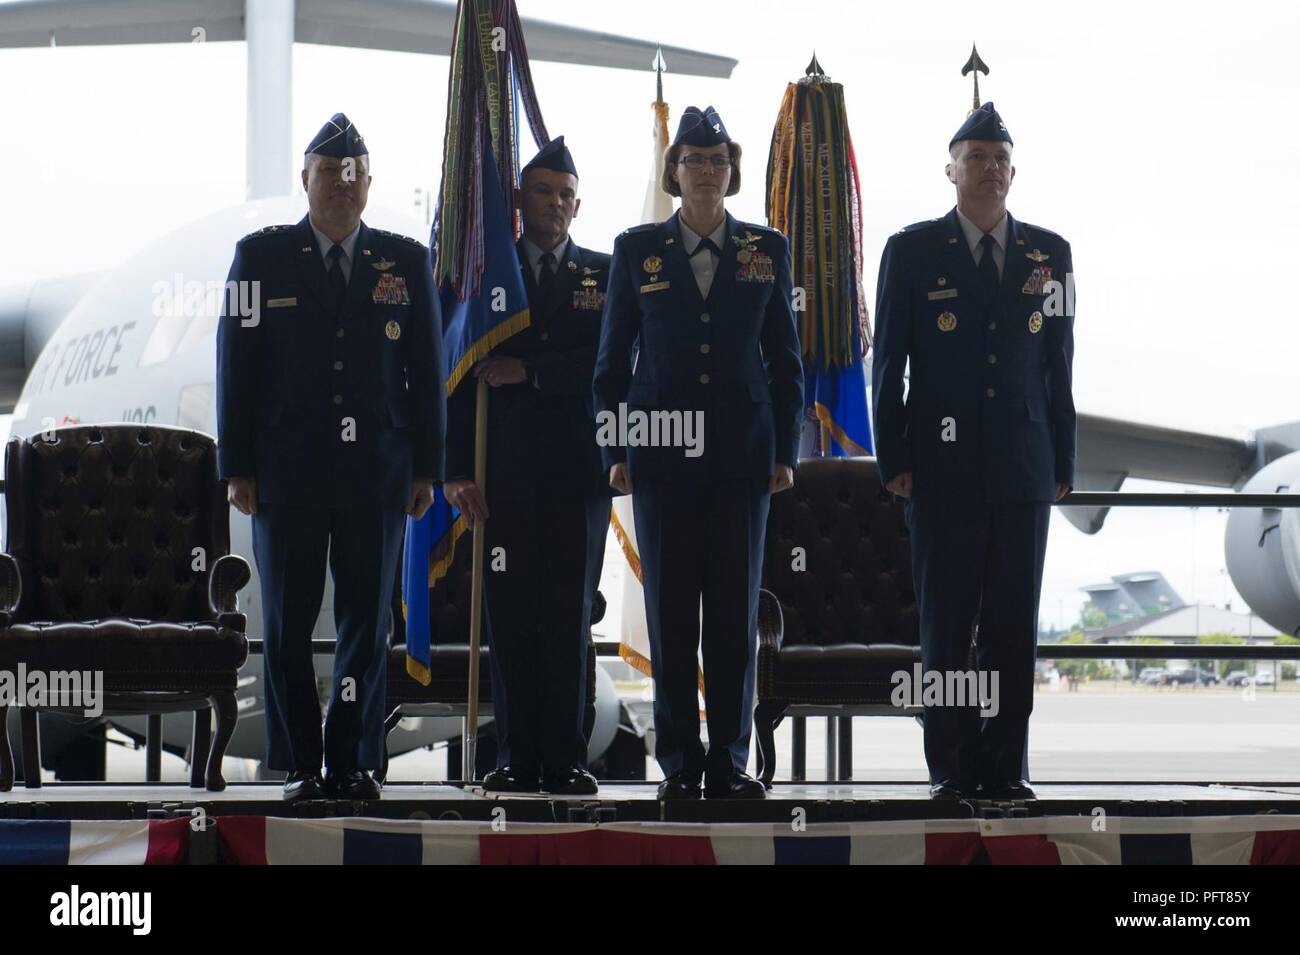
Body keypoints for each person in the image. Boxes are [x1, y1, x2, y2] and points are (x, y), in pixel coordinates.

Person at [216, 113, 445, 801]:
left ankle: (350, 759)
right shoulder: (261, 258)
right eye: (328, 172)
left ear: (367, 183)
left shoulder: (405, 262)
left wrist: (428, 467)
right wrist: (237, 465)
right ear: (306, 179)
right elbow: (236, 365)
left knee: (366, 626)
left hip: (377, 474)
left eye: (354, 174)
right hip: (286, 475)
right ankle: (302, 763)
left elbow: (426, 371)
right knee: (286, 627)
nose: (341, 185)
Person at [593, 106, 804, 800]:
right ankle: (681, 762)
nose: (706, 171)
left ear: (731, 170)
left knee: (735, 618)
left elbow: (784, 360)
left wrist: (784, 448)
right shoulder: (636, 250)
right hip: (660, 457)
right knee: (674, 615)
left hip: (744, 459)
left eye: (717, 160)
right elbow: (609, 365)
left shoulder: (765, 249)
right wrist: (615, 451)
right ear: (673, 170)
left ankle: (731, 759)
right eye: (693, 160)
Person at [871, 102, 1076, 801]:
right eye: (976, 156)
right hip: (939, 469)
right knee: (948, 623)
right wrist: (893, 456)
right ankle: (952, 766)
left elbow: (1059, 366)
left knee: (1013, 626)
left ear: (1013, 173)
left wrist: (1064, 463)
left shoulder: (1052, 255)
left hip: (1025, 469)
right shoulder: (914, 249)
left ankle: (1006, 763)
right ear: (950, 169)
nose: (989, 169)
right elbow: (887, 365)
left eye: (1000, 159)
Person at [443, 137, 611, 795]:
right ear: (518, 198)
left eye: (567, 194)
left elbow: (610, 366)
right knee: (510, 615)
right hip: (501, 477)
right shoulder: (490, 276)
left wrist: (532, 370)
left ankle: (565, 759)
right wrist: (455, 468)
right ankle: (514, 756)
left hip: (579, 479)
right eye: (544, 191)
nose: (557, 204)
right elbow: (455, 377)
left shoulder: (605, 273)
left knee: (569, 618)